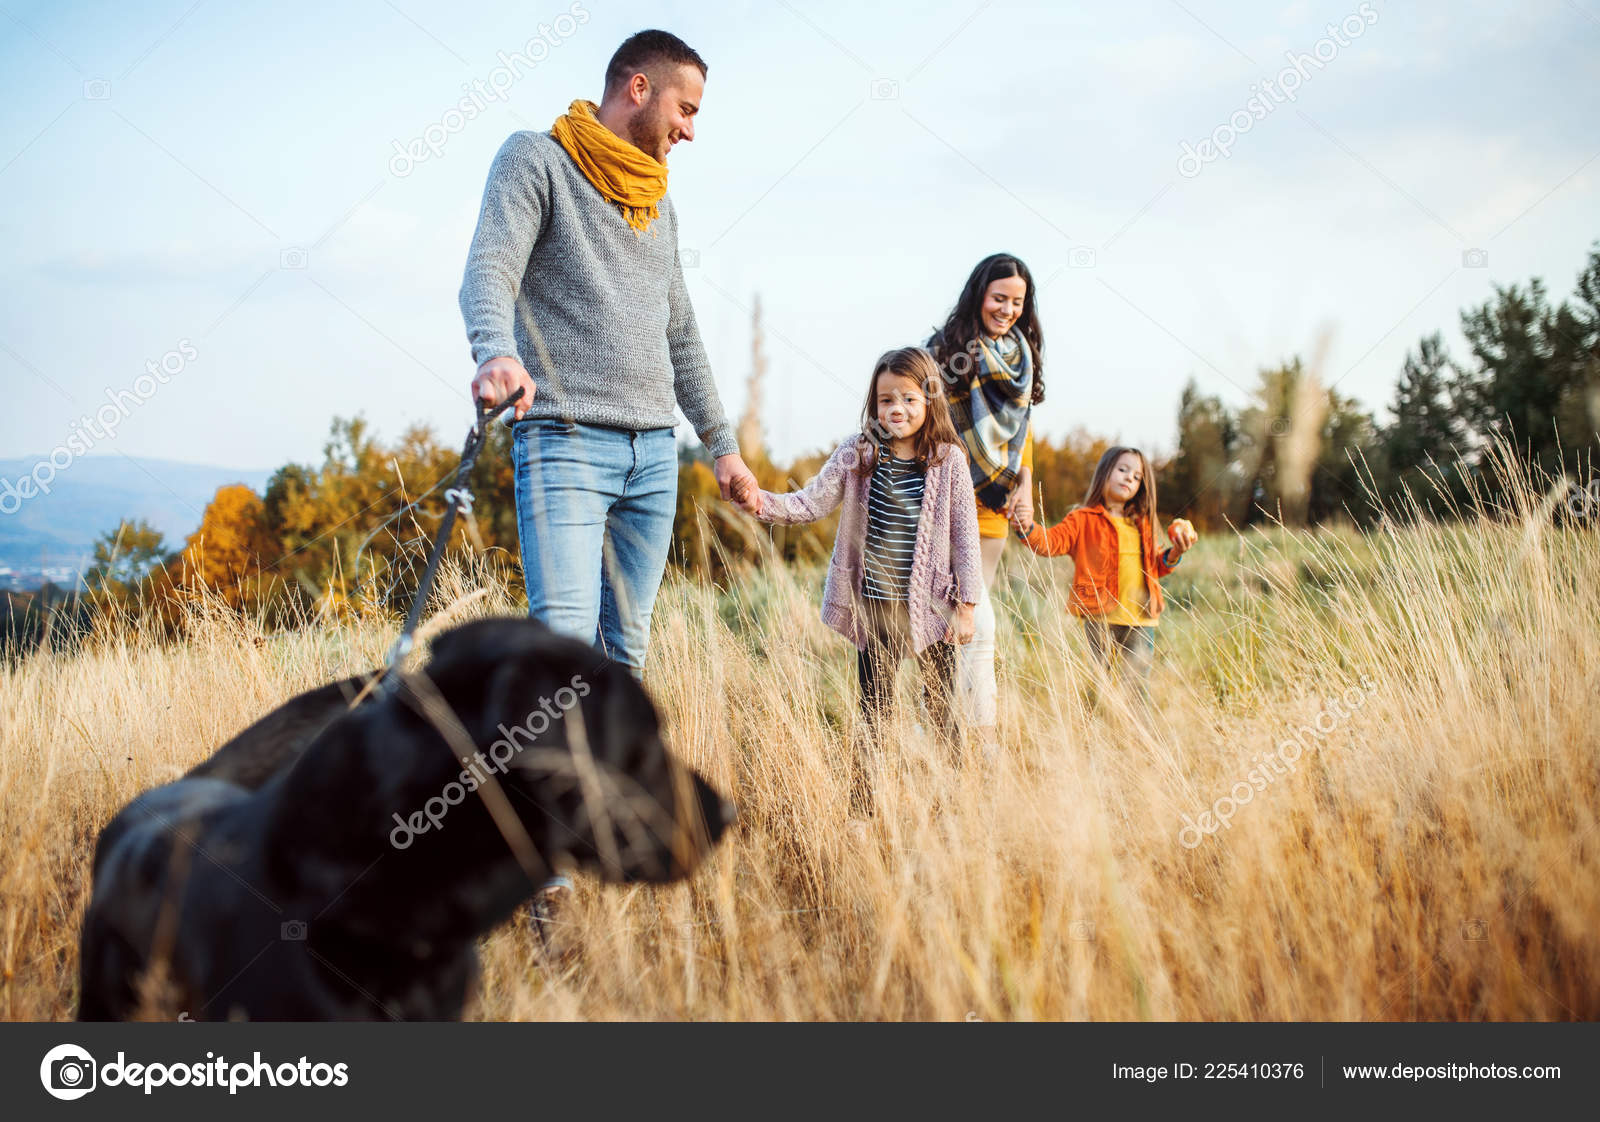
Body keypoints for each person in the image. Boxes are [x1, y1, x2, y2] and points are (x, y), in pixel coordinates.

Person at [458, 29, 758, 948]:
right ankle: (540, 879)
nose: (692, 132)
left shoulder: (658, 208)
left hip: (651, 460)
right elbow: (489, 270)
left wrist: (723, 445)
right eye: (686, 109)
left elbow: (682, 337)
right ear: (639, 87)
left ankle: (599, 847)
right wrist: (496, 352)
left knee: (623, 661)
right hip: (563, 443)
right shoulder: (537, 161)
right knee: (559, 656)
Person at [745, 347, 981, 818]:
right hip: (876, 607)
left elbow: (965, 537)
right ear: (874, 405)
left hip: (934, 609)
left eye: (910, 399)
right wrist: (759, 502)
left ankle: (950, 810)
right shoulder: (858, 455)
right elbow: (811, 502)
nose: (897, 409)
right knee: (874, 713)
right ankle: (864, 815)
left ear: (930, 399)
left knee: (941, 711)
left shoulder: (948, 460)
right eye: (886, 400)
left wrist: (968, 604)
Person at [926, 253, 1044, 757]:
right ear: (979, 294)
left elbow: (1023, 432)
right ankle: (980, 740)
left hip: (994, 509)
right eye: (1000, 298)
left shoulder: (1022, 357)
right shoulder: (945, 352)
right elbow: (922, 422)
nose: (1008, 309)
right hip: (949, 505)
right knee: (973, 624)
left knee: (962, 623)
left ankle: (946, 741)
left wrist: (1025, 484)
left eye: (1017, 301)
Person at [1010, 447, 1197, 698]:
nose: (1130, 477)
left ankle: (1138, 737)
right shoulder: (1082, 519)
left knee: (1137, 688)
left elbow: (1156, 565)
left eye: (1137, 476)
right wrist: (1027, 528)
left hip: (1141, 620)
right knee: (1099, 685)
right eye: (1123, 469)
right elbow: (1049, 542)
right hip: (1100, 619)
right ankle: (1094, 734)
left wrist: (1174, 553)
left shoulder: (1142, 522)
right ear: (1104, 473)